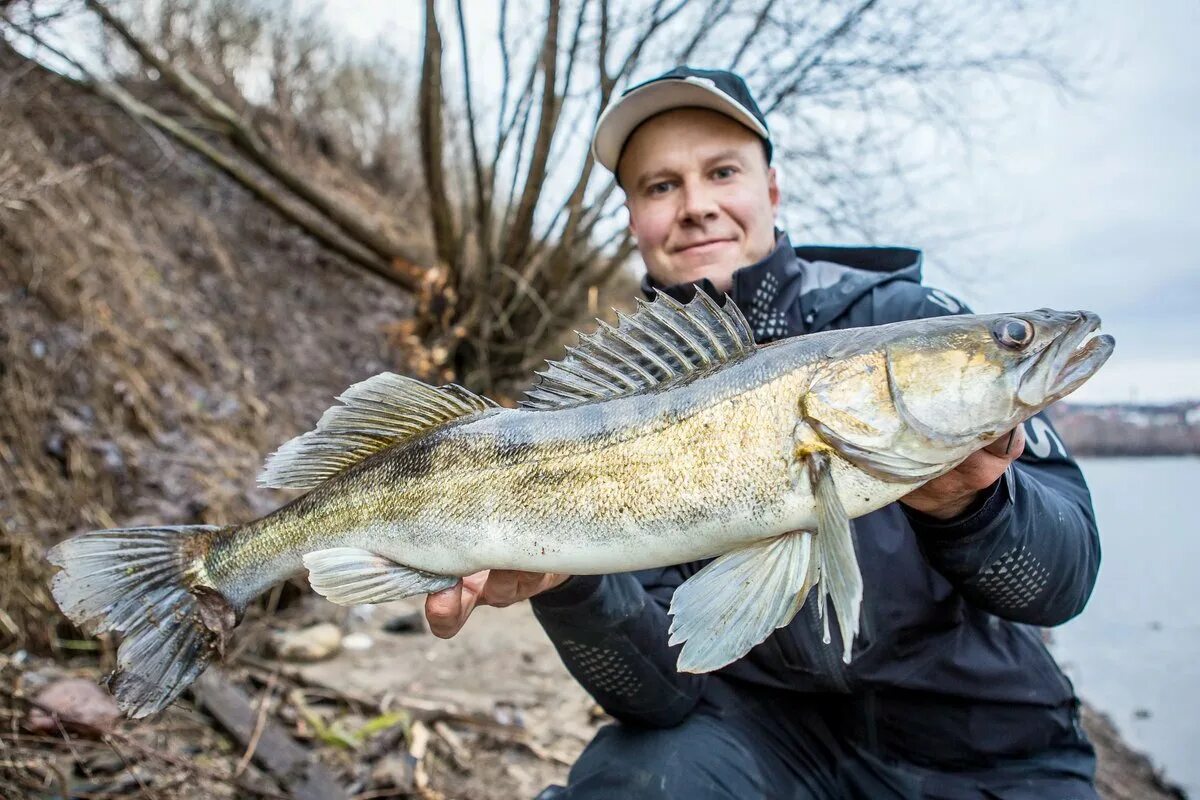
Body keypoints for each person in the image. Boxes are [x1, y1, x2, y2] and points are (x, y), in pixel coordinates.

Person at [425, 67, 1101, 799]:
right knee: (635, 778)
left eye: (721, 172)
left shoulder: (902, 313)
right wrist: (567, 585)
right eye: (660, 186)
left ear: (771, 191)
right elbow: (660, 697)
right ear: (634, 220)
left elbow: (1064, 582)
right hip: (766, 743)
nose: (695, 206)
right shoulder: (605, 403)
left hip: (986, 749)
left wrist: (973, 509)